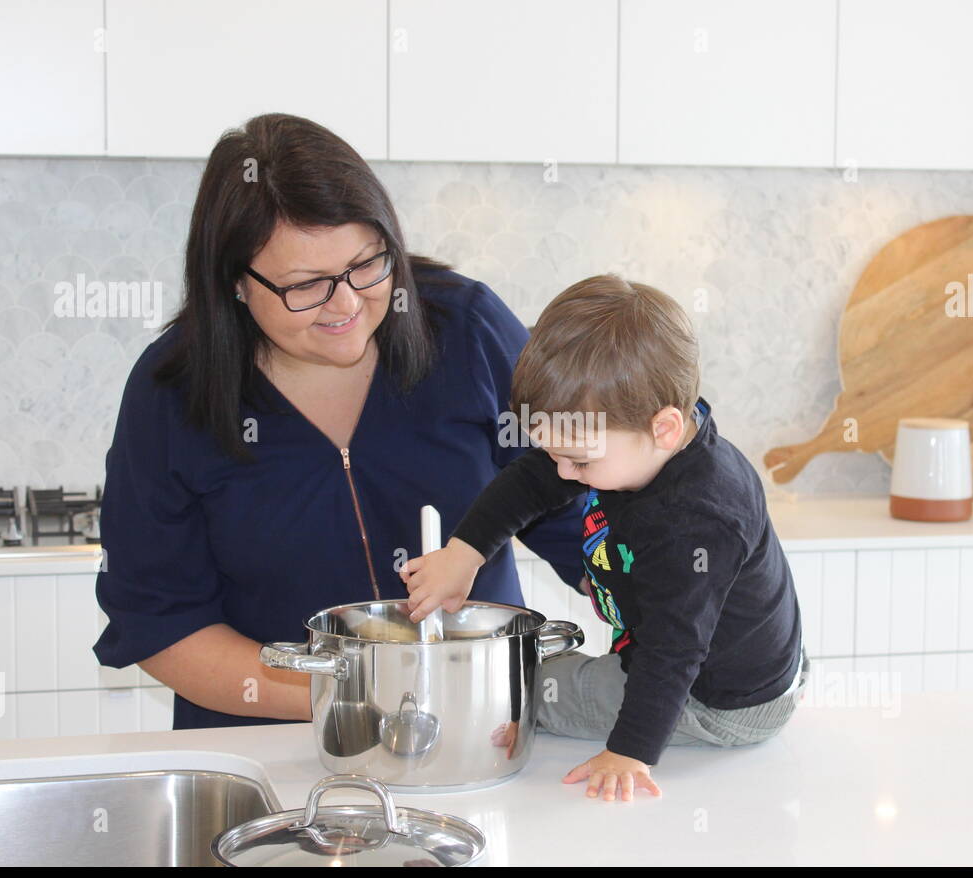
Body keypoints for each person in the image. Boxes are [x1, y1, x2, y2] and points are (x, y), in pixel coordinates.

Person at [93, 113, 586, 730]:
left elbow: (584, 503)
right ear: (235, 284)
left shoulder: (465, 328)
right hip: (276, 750)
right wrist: (359, 707)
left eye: (367, 264)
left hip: (479, 732)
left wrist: (674, 607)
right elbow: (160, 622)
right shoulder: (173, 391)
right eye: (307, 286)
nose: (348, 304)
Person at [400, 274, 808, 801]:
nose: (563, 473)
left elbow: (672, 652)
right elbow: (529, 481)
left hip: (718, 702)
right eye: (554, 454)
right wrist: (464, 553)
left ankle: (524, 717)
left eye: (579, 461)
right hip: (729, 662)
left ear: (663, 428)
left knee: (525, 689)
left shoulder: (697, 518)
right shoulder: (632, 432)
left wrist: (628, 752)